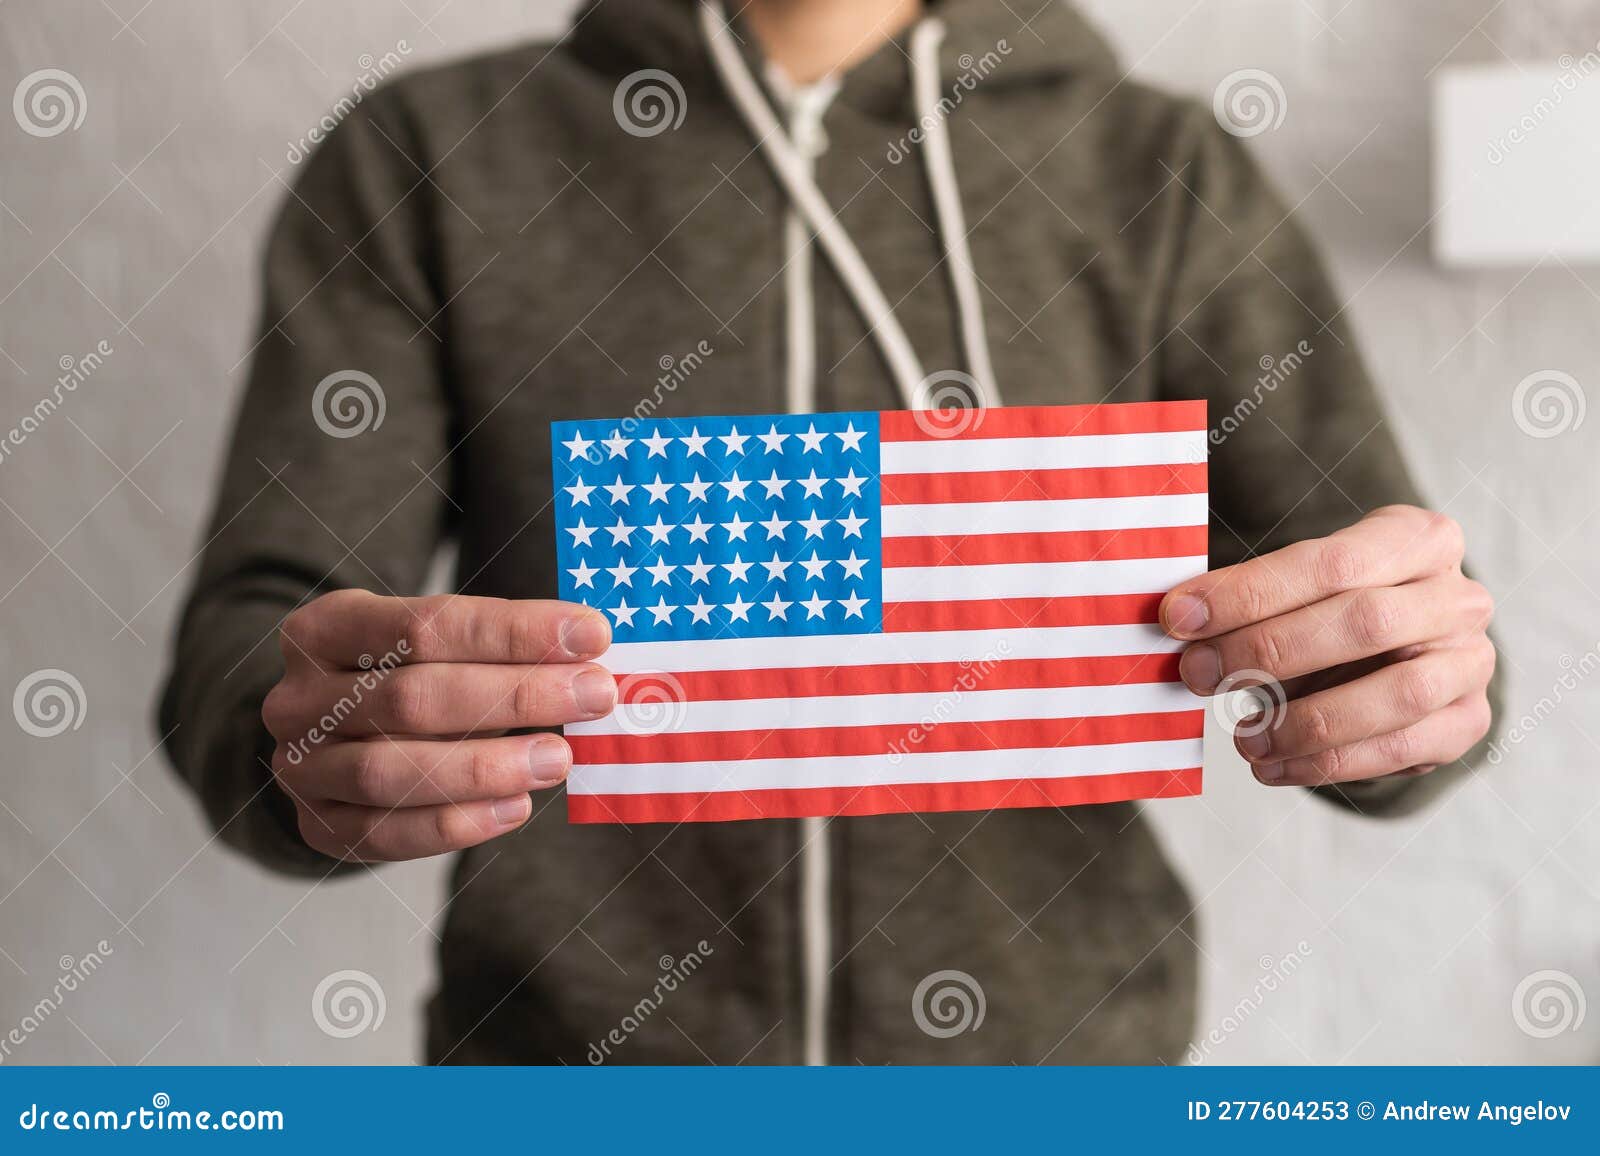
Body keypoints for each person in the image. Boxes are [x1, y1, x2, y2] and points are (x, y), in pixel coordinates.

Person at [159, 0, 1499, 1064]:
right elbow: (255, 639)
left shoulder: (1160, 168)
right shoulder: (431, 152)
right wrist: (308, 738)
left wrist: (1406, 681)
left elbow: (1391, 633)